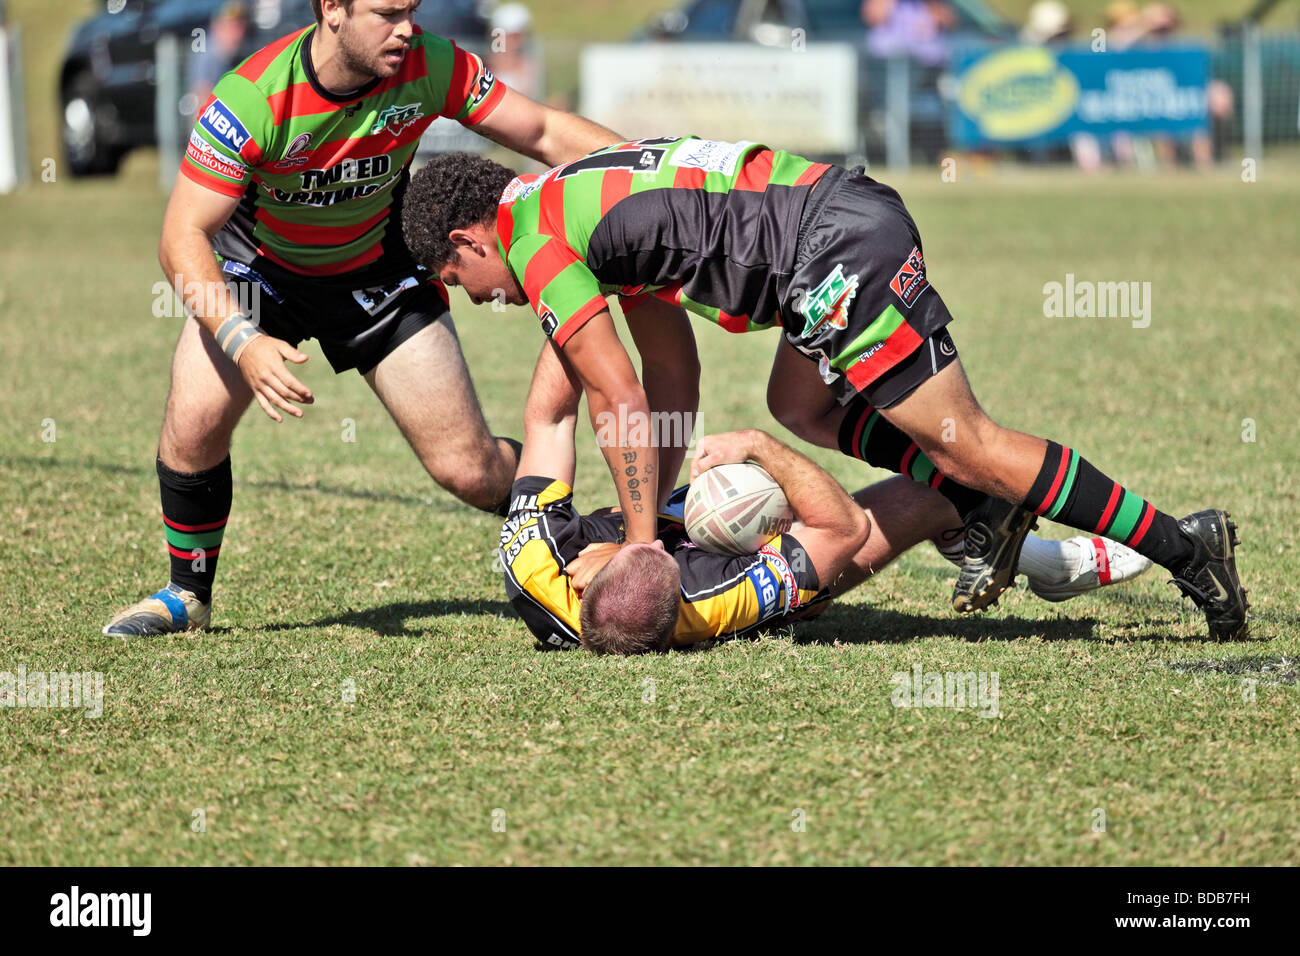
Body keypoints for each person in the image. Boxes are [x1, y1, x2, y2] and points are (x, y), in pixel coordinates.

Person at [401, 135, 1249, 640]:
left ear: (466, 238)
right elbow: (669, 378)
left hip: (831, 252)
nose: (480, 298)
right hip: (829, 227)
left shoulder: (539, 244)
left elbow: (615, 402)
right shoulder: (570, 198)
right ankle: (971, 503)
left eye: (457, 278)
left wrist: (639, 551)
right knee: (798, 405)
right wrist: (648, 514)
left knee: (976, 445)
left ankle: (1184, 549)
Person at [102, 0, 628, 636]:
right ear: (332, 10)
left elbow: (542, 130)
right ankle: (187, 594)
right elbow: (181, 235)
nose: (406, 28)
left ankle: (607, 531)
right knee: (194, 423)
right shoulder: (252, 98)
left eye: (411, 10)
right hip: (259, 272)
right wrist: (242, 342)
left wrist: (646, 168)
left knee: (469, 468)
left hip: (376, 271)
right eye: (386, 13)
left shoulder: (430, 62)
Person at [500, 343, 1152, 654]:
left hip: (661, 533)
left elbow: (548, 420)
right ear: (679, 596)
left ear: (595, 570)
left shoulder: (534, 560)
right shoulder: (713, 601)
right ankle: (1054, 568)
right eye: (666, 552)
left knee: (941, 497)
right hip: (785, 548)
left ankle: (979, 537)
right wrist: (762, 448)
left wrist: (573, 306)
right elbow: (838, 528)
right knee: (929, 493)